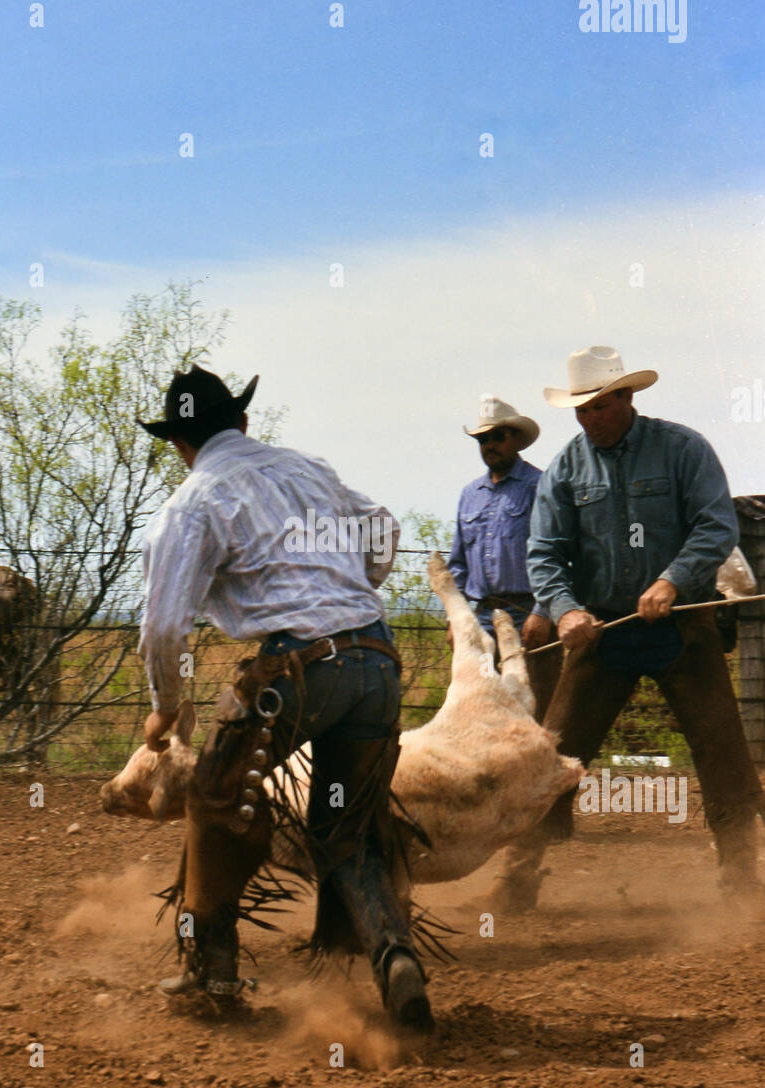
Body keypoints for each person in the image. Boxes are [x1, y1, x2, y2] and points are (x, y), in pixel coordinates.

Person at [136, 364, 435, 1032]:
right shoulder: (307, 470)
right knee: (344, 825)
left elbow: (162, 623)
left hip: (294, 672)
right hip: (376, 659)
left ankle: (210, 970)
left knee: (213, 798)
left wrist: (165, 701)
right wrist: (346, 592)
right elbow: (381, 529)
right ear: (242, 423)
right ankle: (394, 958)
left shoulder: (194, 500)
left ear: (179, 443)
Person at [489, 345, 764, 912]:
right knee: (556, 749)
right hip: (603, 629)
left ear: (626, 398)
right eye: (581, 410)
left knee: (720, 748)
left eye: (598, 407)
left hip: (682, 628)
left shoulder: (683, 449)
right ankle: (519, 873)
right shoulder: (566, 467)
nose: (589, 419)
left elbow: (715, 526)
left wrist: (672, 580)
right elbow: (544, 551)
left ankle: (739, 874)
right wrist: (565, 608)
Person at [447, 394, 561, 719]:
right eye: (483, 439)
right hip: (482, 620)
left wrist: (543, 612)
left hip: (530, 617)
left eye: (498, 436)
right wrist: (455, 619)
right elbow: (457, 565)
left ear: (516, 440)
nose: (490, 445)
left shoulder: (540, 487)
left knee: (536, 714)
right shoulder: (469, 495)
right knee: (480, 711)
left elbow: (557, 551)